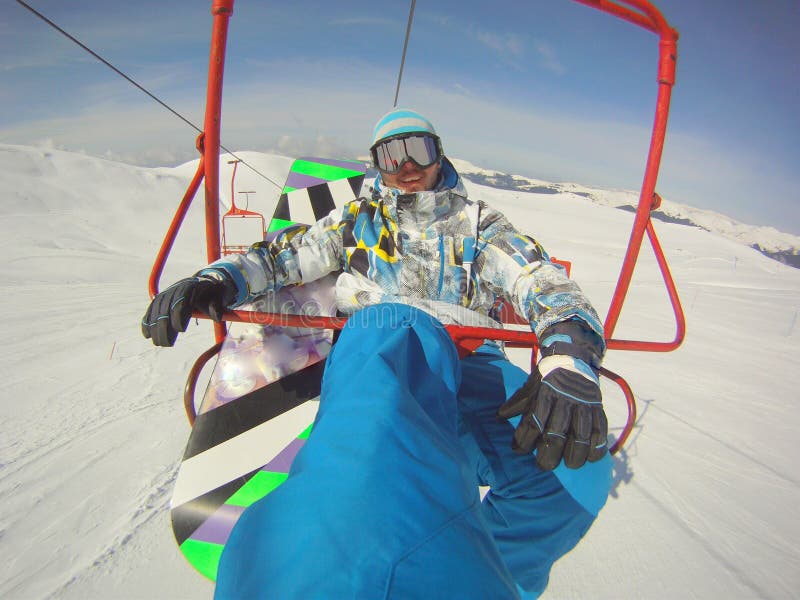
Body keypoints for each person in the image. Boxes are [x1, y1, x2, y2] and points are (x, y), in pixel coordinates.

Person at [142, 108, 612, 598]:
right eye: (391, 154)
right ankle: (314, 571)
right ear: (377, 163)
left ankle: (475, 576)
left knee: (573, 480)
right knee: (370, 470)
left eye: (418, 149)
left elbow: (538, 278)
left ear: (439, 153)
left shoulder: (480, 226)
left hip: (471, 361)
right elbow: (284, 256)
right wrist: (220, 278)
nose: (406, 164)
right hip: (384, 341)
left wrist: (568, 353)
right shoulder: (359, 221)